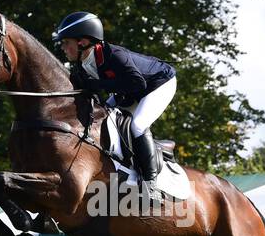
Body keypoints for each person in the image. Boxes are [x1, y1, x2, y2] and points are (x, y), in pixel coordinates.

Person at [52, 11, 177, 189]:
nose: (63, 48)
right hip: (129, 91)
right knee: (103, 117)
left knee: (137, 125)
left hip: (158, 83)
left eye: (66, 42)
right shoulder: (82, 64)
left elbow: (138, 84)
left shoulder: (115, 55)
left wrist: (98, 85)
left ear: (83, 42)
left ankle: (151, 182)